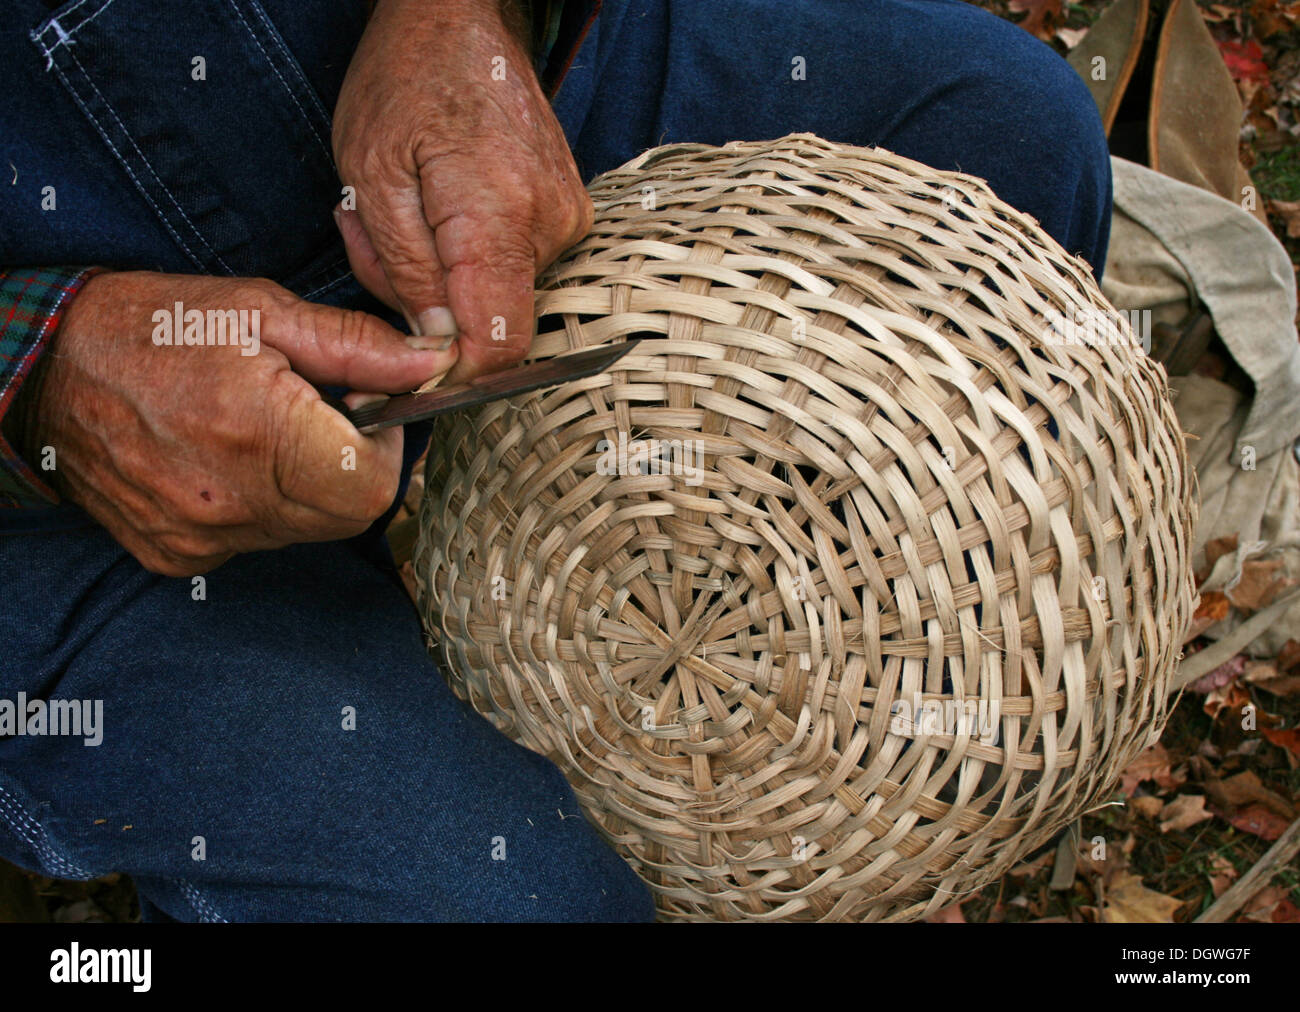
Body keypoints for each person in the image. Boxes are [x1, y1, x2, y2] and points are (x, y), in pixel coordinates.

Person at [0, 0, 1110, 921]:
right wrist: (45, 371)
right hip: (51, 460)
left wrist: (455, 24)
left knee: (1008, 127)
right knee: (506, 893)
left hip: (453, 106)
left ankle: (839, 791)